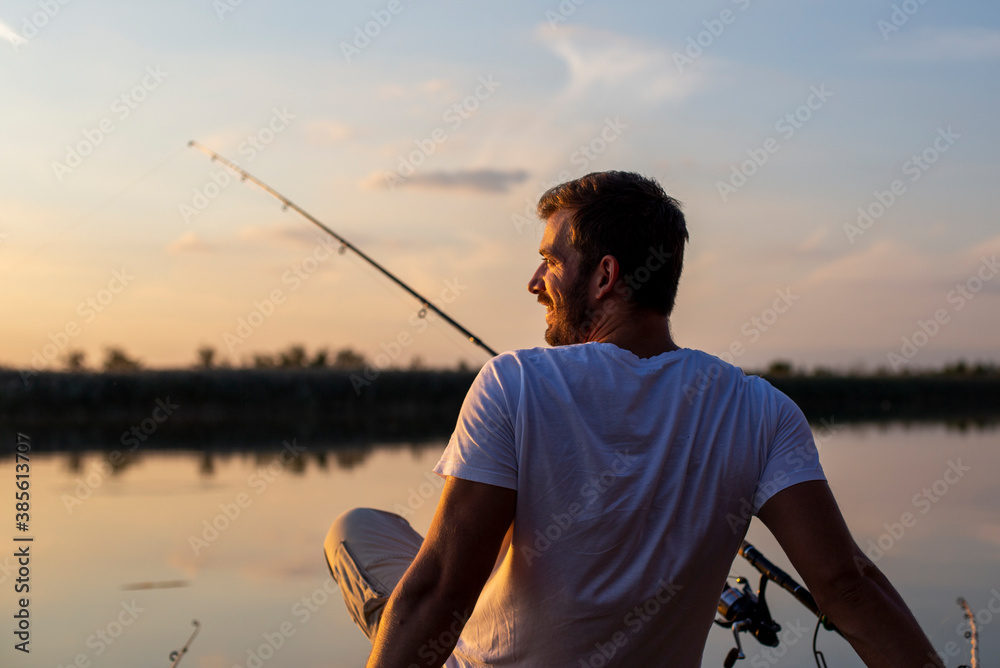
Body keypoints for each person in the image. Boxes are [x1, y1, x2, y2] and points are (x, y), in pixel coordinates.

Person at [325, 171, 943, 667]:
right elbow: (847, 583)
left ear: (605, 275)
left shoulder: (515, 381)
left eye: (549, 260)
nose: (535, 281)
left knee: (355, 528)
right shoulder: (762, 409)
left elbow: (440, 594)